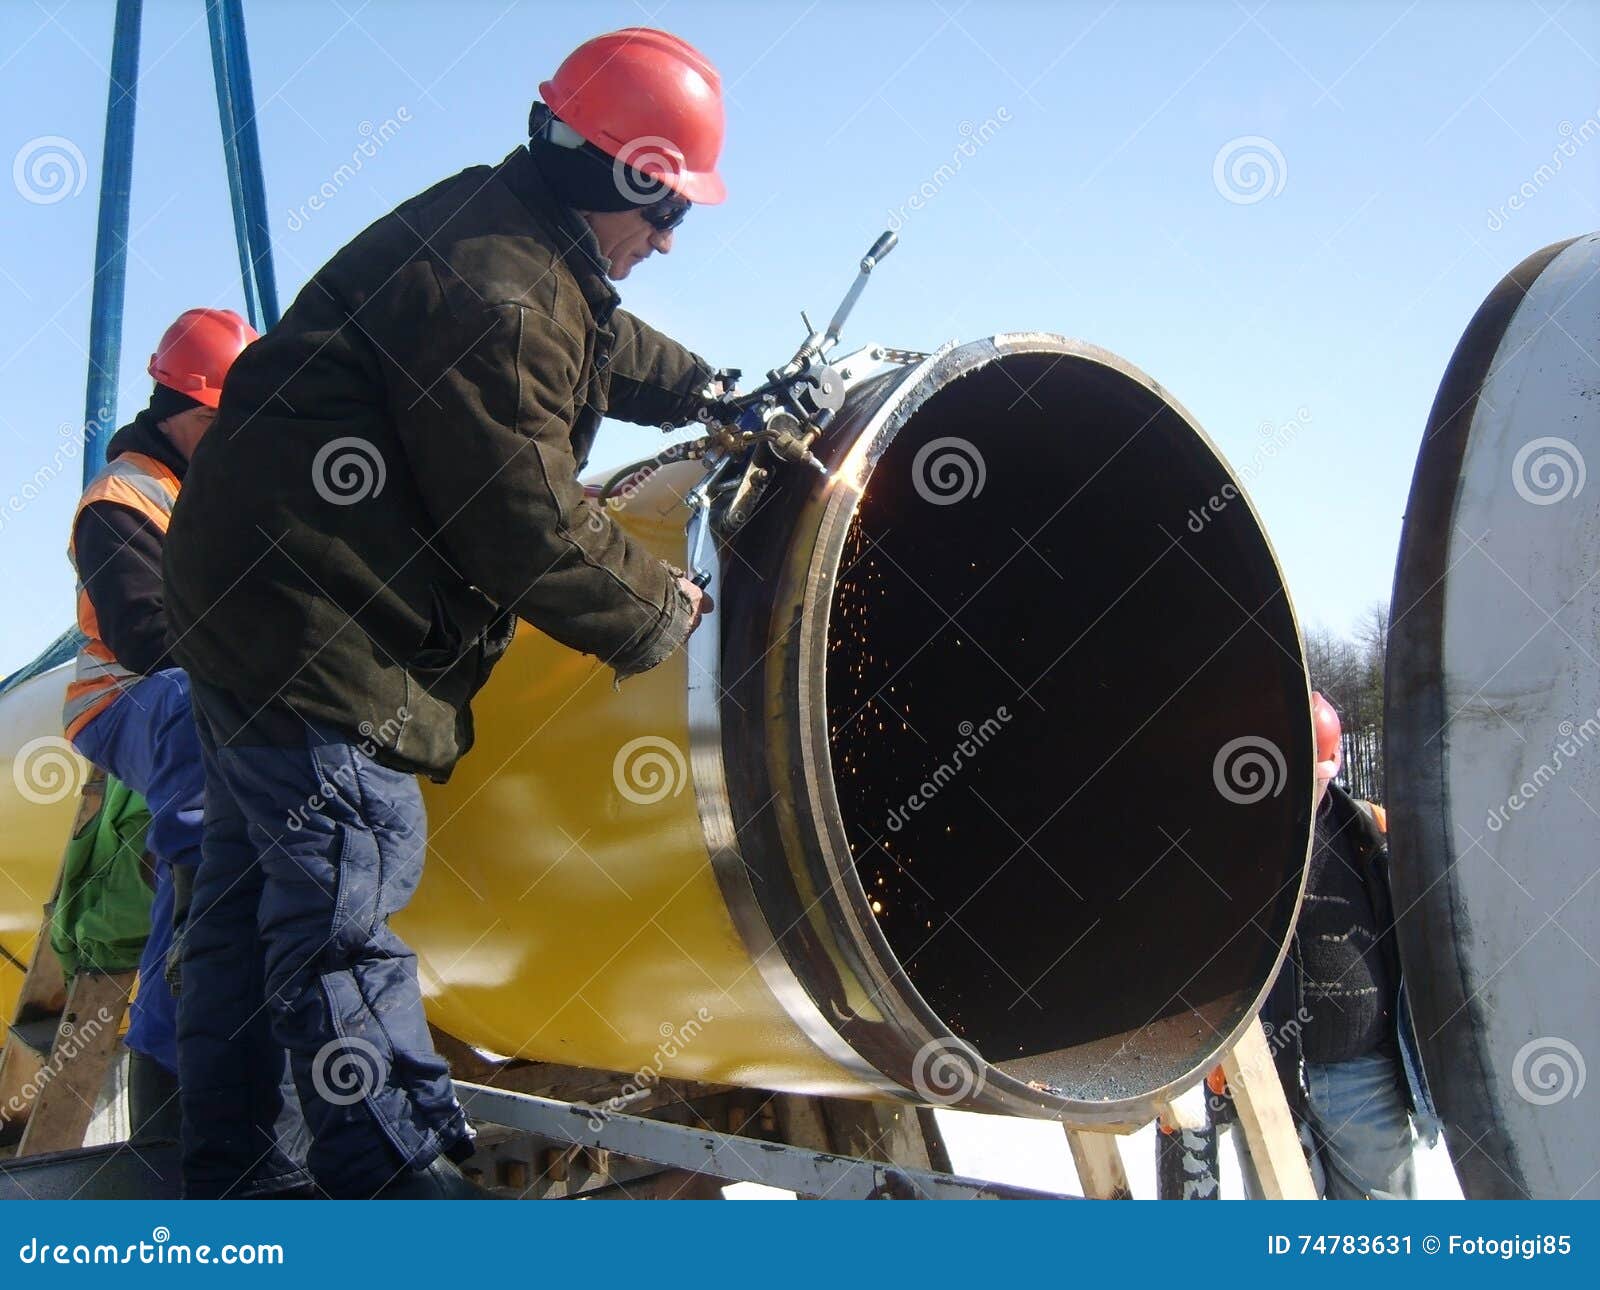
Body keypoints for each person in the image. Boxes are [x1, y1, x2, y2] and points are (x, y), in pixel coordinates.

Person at [162, 28, 729, 1199]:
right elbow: (520, 521)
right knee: (340, 893)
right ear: (611, 175)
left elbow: (598, 342)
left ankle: (233, 1173)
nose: (668, 241)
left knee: (240, 900)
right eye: (665, 210)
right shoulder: (501, 293)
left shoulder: (505, 233)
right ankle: (399, 1181)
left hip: (245, 600)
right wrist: (656, 607)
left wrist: (708, 389)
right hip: (313, 623)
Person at [63, 307, 259, 1142]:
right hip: (129, 702)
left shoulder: (224, 490)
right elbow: (148, 637)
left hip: (217, 692)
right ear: (186, 408)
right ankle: (200, 919)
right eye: (226, 419)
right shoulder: (121, 500)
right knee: (192, 704)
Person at [1234, 691, 1441, 1199]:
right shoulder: (1235, 846)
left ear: (1335, 764)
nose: (1308, 792)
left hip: (1365, 1076)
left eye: (1319, 777)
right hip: (1270, 1080)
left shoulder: (1369, 831)